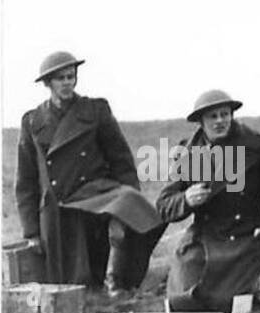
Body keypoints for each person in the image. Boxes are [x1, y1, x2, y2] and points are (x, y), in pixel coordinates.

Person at [15, 51, 164, 296]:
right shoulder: (32, 122)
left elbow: (121, 159)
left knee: (134, 212)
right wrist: (31, 232)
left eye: (70, 76)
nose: (67, 83)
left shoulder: (95, 110)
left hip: (94, 193)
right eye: (60, 78)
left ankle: (118, 282)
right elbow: (26, 181)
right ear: (47, 83)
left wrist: (127, 213)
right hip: (57, 206)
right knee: (70, 286)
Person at [158, 89, 260, 313]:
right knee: (182, 301)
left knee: (229, 304)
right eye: (212, 117)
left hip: (247, 234)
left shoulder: (256, 145)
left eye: (224, 115)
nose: (220, 121)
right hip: (204, 236)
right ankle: (254, 283)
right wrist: (186, 199)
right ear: (200, 121)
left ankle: (258, 283)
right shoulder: (188, 153)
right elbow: (165, 203)